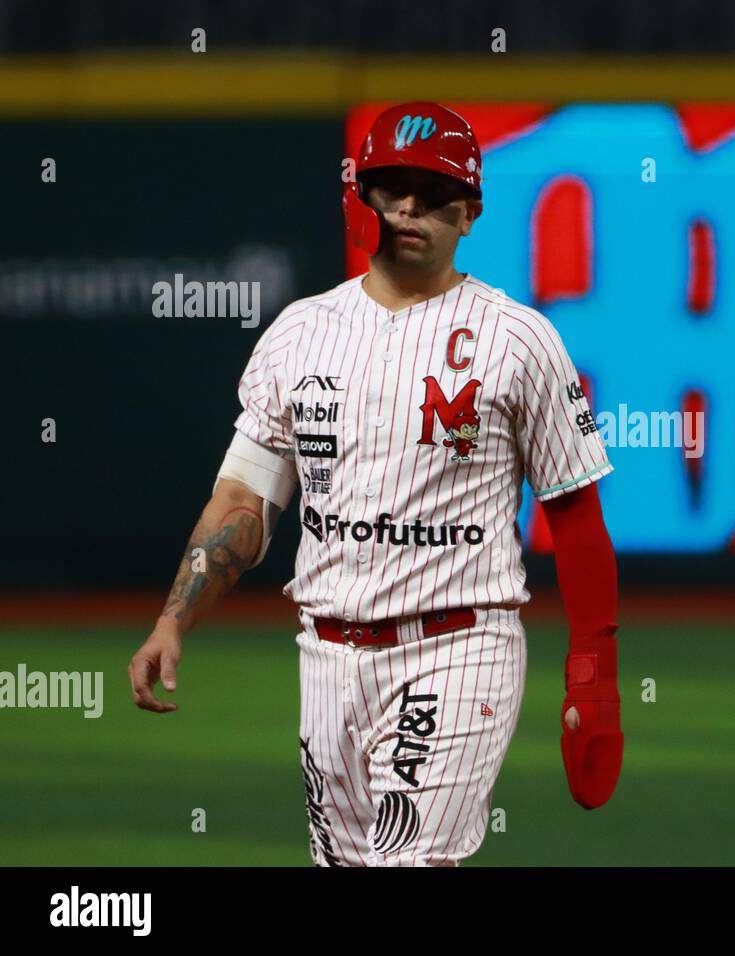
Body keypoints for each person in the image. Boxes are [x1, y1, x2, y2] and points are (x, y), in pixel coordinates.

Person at [127, 102, 623, 866]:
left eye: (432, 191)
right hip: (327, 657)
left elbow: (577, 516)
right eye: (394, 188)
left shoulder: (519, 339)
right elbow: (243, 502)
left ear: (471, 210)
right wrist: (172, 620)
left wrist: (594, 677)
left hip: (459, 646)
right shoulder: (299, 333)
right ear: (366, 196)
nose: (411, 207)